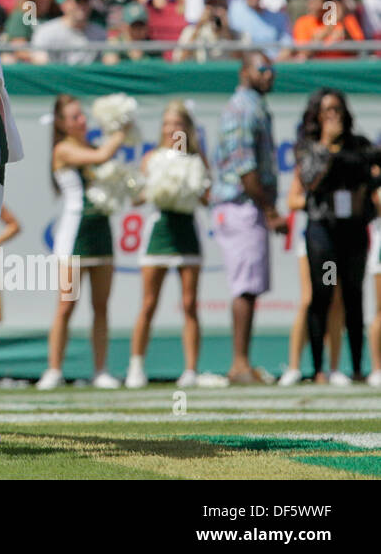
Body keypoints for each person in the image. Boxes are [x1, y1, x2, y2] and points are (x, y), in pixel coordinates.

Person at [37, 95, 130, 391]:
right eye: (75, 117)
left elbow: (109, 173)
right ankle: (54, 370)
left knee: (101, 306)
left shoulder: (92, 146)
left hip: (101, 231)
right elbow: (102, 158)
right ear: (62, 124)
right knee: (66, 306)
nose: (82, 120)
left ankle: (101, 370)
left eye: (82, 115)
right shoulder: (63, 150)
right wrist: (122, 130)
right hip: (73, 235)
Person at [126, 104, 218, 389]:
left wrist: (195, 185)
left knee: (190, 303)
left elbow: (206, 199)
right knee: (149, 303)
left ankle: (190, 370)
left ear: (187, 127)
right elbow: (138, 199)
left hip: (187, 230)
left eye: (177, 123)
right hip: (159, 230)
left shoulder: (196, 159)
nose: (171, 128)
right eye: (166, 123)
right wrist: (147, 187)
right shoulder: (151, 157)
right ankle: (136, 367)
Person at [293, 89, 380, 382]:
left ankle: (357, 368)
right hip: (324, 233)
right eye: (326, 110)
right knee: (325, 294)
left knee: (354, 295)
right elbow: (309, 181)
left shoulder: (359, 145)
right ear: (317, 114)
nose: (333, 116)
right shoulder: (309, 147)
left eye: (337, 110)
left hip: (353, 231)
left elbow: (373, 172)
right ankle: (320, 369)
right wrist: (328, 147)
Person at [211, 53, 286, 385]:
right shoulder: (242, 108)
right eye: (262, 68)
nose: (269, 75)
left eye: (272, 69)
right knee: (245, 286)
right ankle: (239, 363)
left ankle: (243, 362)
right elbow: (245, 167)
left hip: (247, 205)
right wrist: (269, 209)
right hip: (242, 204)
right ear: (244, 72)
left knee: (250, 287)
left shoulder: (254, 105)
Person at [281, 165, 348, 385]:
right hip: (312, 243)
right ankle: (294, 367)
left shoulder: (344, 166)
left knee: (334, 300)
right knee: (310, 299)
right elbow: (292, 200)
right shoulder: (310, 167)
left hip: (336, 242)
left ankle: (334, 368)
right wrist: (318, 198)